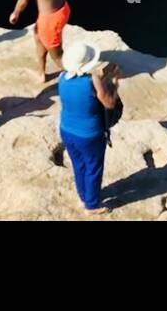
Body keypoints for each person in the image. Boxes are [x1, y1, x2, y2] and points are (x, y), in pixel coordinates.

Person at [57, 39, 122, 214]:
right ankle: (91, 205)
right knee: (93, 168)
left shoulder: (61, 77)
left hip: (66, 130)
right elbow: (109, 103)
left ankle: (83, 194)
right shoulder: (92, 80)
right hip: (89, 134)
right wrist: (115, 85)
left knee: (79, 164)